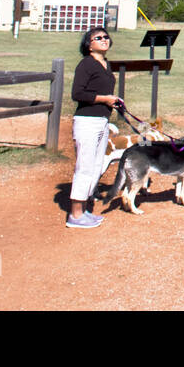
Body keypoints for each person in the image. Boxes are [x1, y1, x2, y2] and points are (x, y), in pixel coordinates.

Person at [66, 26, 120, 228]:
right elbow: (77, 94)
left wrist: (113, 102)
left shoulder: (105, 64)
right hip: (87, 122)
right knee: (85, 166)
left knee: (97, 165)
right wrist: (105, 99)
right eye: (98, 38)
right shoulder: (86, 65)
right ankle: (76, 215)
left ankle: (85, 209)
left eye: (106, 37)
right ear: (89, 45)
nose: (104, 40)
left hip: (102, 121)